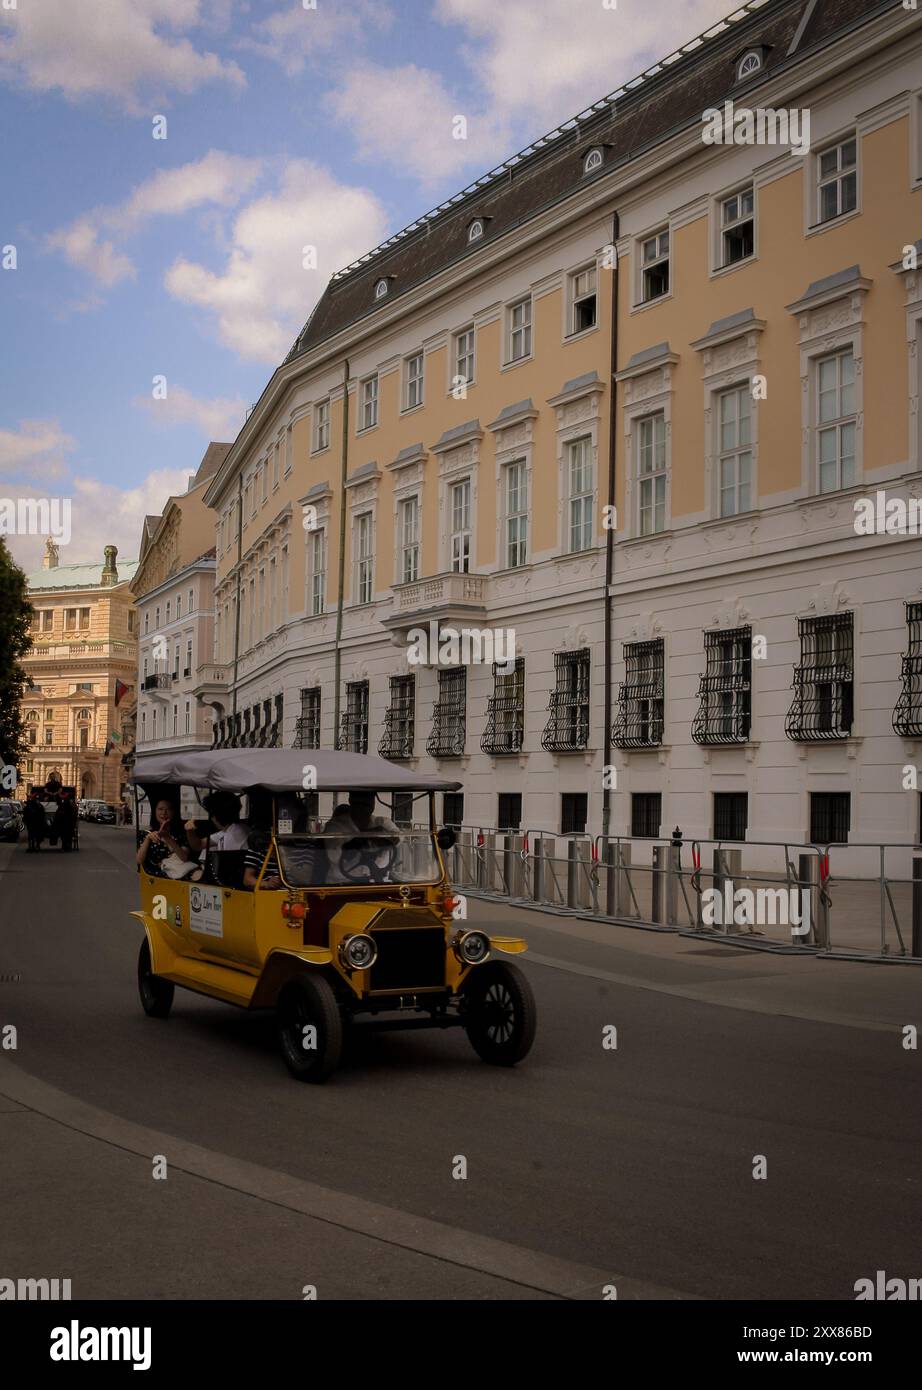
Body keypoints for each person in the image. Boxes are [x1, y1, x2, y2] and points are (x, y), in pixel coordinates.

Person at [324, 790, 402, 884]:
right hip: (342, 883)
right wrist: (363, 839)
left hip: (377, 882)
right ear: (351, 801)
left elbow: (398, 837)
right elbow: (335, 855)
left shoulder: (382, 822)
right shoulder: (335, 826)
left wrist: (383, 840)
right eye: (360, 801)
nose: (364, 806)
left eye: (368, 801)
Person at [136, 797, 189, 875]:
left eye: (168, 809)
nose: (164, 813)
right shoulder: (145, 834)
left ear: (173, 812)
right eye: (160, 809)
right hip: (153, 877)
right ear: (155, 811)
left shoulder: (181, 834)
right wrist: (147, 839)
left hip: (177, 876)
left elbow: (184, 858)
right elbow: (139, 860)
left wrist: (168, 838)